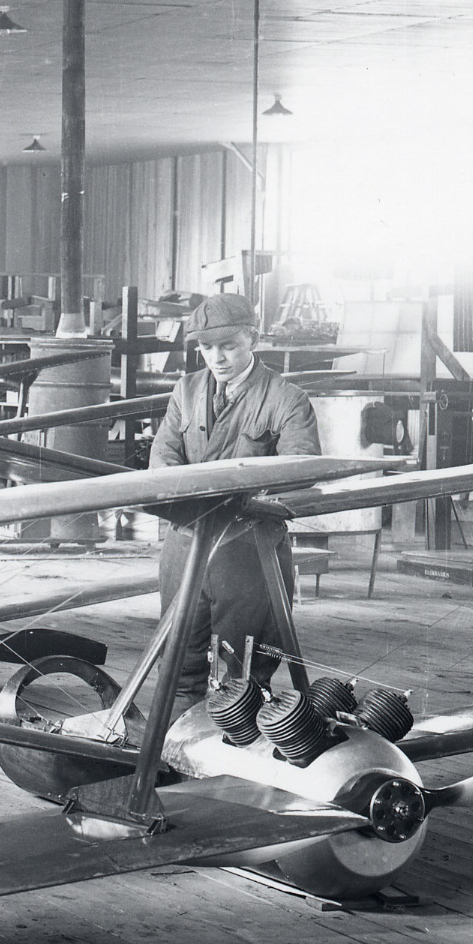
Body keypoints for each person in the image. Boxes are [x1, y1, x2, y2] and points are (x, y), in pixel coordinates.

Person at [146, 292, 320, 694]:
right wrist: (185, 495)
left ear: (253, 339)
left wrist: (235, 493)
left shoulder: (286, 398)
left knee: (243, 673)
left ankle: (231, 747)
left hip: (247, 550)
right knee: (175, 663)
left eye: (228, 346)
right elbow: (163, 453)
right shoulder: (185, 390)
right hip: (185, 541)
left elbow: (302, 467)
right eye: (207, 348)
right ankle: (168, 749)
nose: (217, 358)